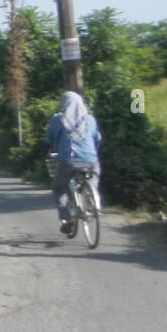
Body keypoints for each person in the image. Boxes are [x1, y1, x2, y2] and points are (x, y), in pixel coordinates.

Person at [45, 91, 102, 237]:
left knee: (58, 188)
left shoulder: (59, 119)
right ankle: (91, 197)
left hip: (68, 160)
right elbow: (97, 138)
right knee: (93, 178)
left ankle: (66, 218)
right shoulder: (90, 119)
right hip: (91, 160)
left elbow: (50, 137)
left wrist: (53, 148)